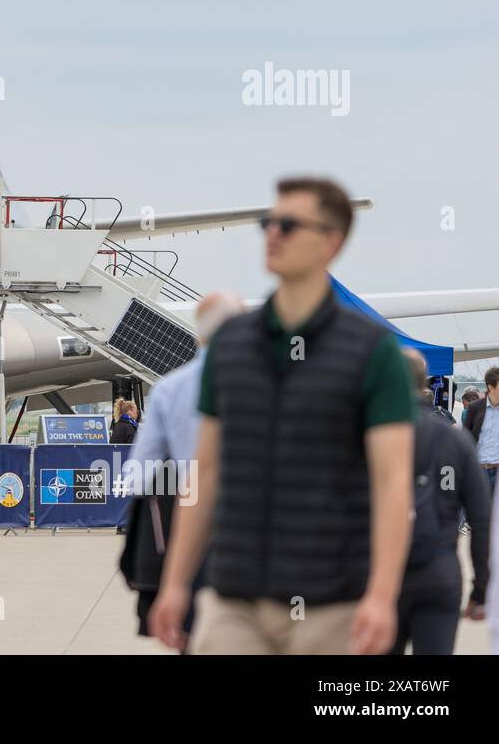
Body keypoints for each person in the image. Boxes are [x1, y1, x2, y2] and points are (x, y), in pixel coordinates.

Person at [150, 176, 415, 655]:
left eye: (289, 225)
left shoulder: (373, 355)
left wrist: (382, 595)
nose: (272, 233)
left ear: (330, 242)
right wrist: (174, 583)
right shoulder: (230, 347)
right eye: (268, 222)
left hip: (333, 604)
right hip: (235, 600)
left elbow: (393, 481)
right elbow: (204, 473)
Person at [121, 292, 245, 637]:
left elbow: (138, 474)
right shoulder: (271, 384)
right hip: (254, 532)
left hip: (189, 523)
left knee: (193, 633)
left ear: (199, 334)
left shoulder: (170, 389)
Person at [391, 349, 489, 653]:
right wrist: (481, 589)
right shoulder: (454, 438)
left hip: (383, 574)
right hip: (439, 571)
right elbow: (482, 520)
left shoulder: (370, 435)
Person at [462, 369, 499, 495]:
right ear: (491, 387)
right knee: (479, 511)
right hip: (479, 469)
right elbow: (465, 437)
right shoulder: (475, 408)